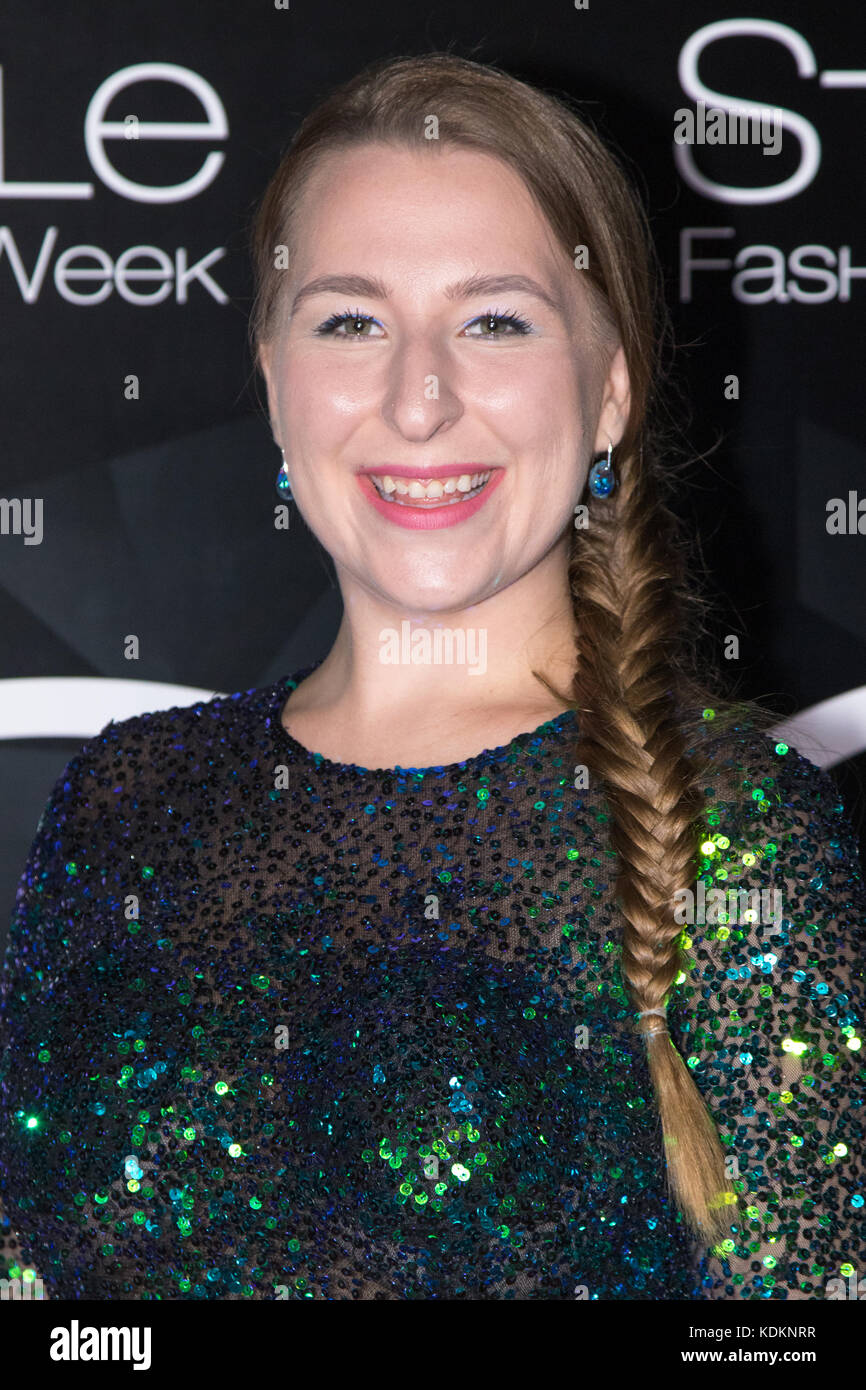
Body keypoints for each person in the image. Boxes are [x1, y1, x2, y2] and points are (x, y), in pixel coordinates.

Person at [1, 52, 863, 1301]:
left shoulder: (740, 827)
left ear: (608, 388)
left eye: (492, 320)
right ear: (275, 378)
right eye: (351, 319)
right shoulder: (123, 803)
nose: (419, 399)